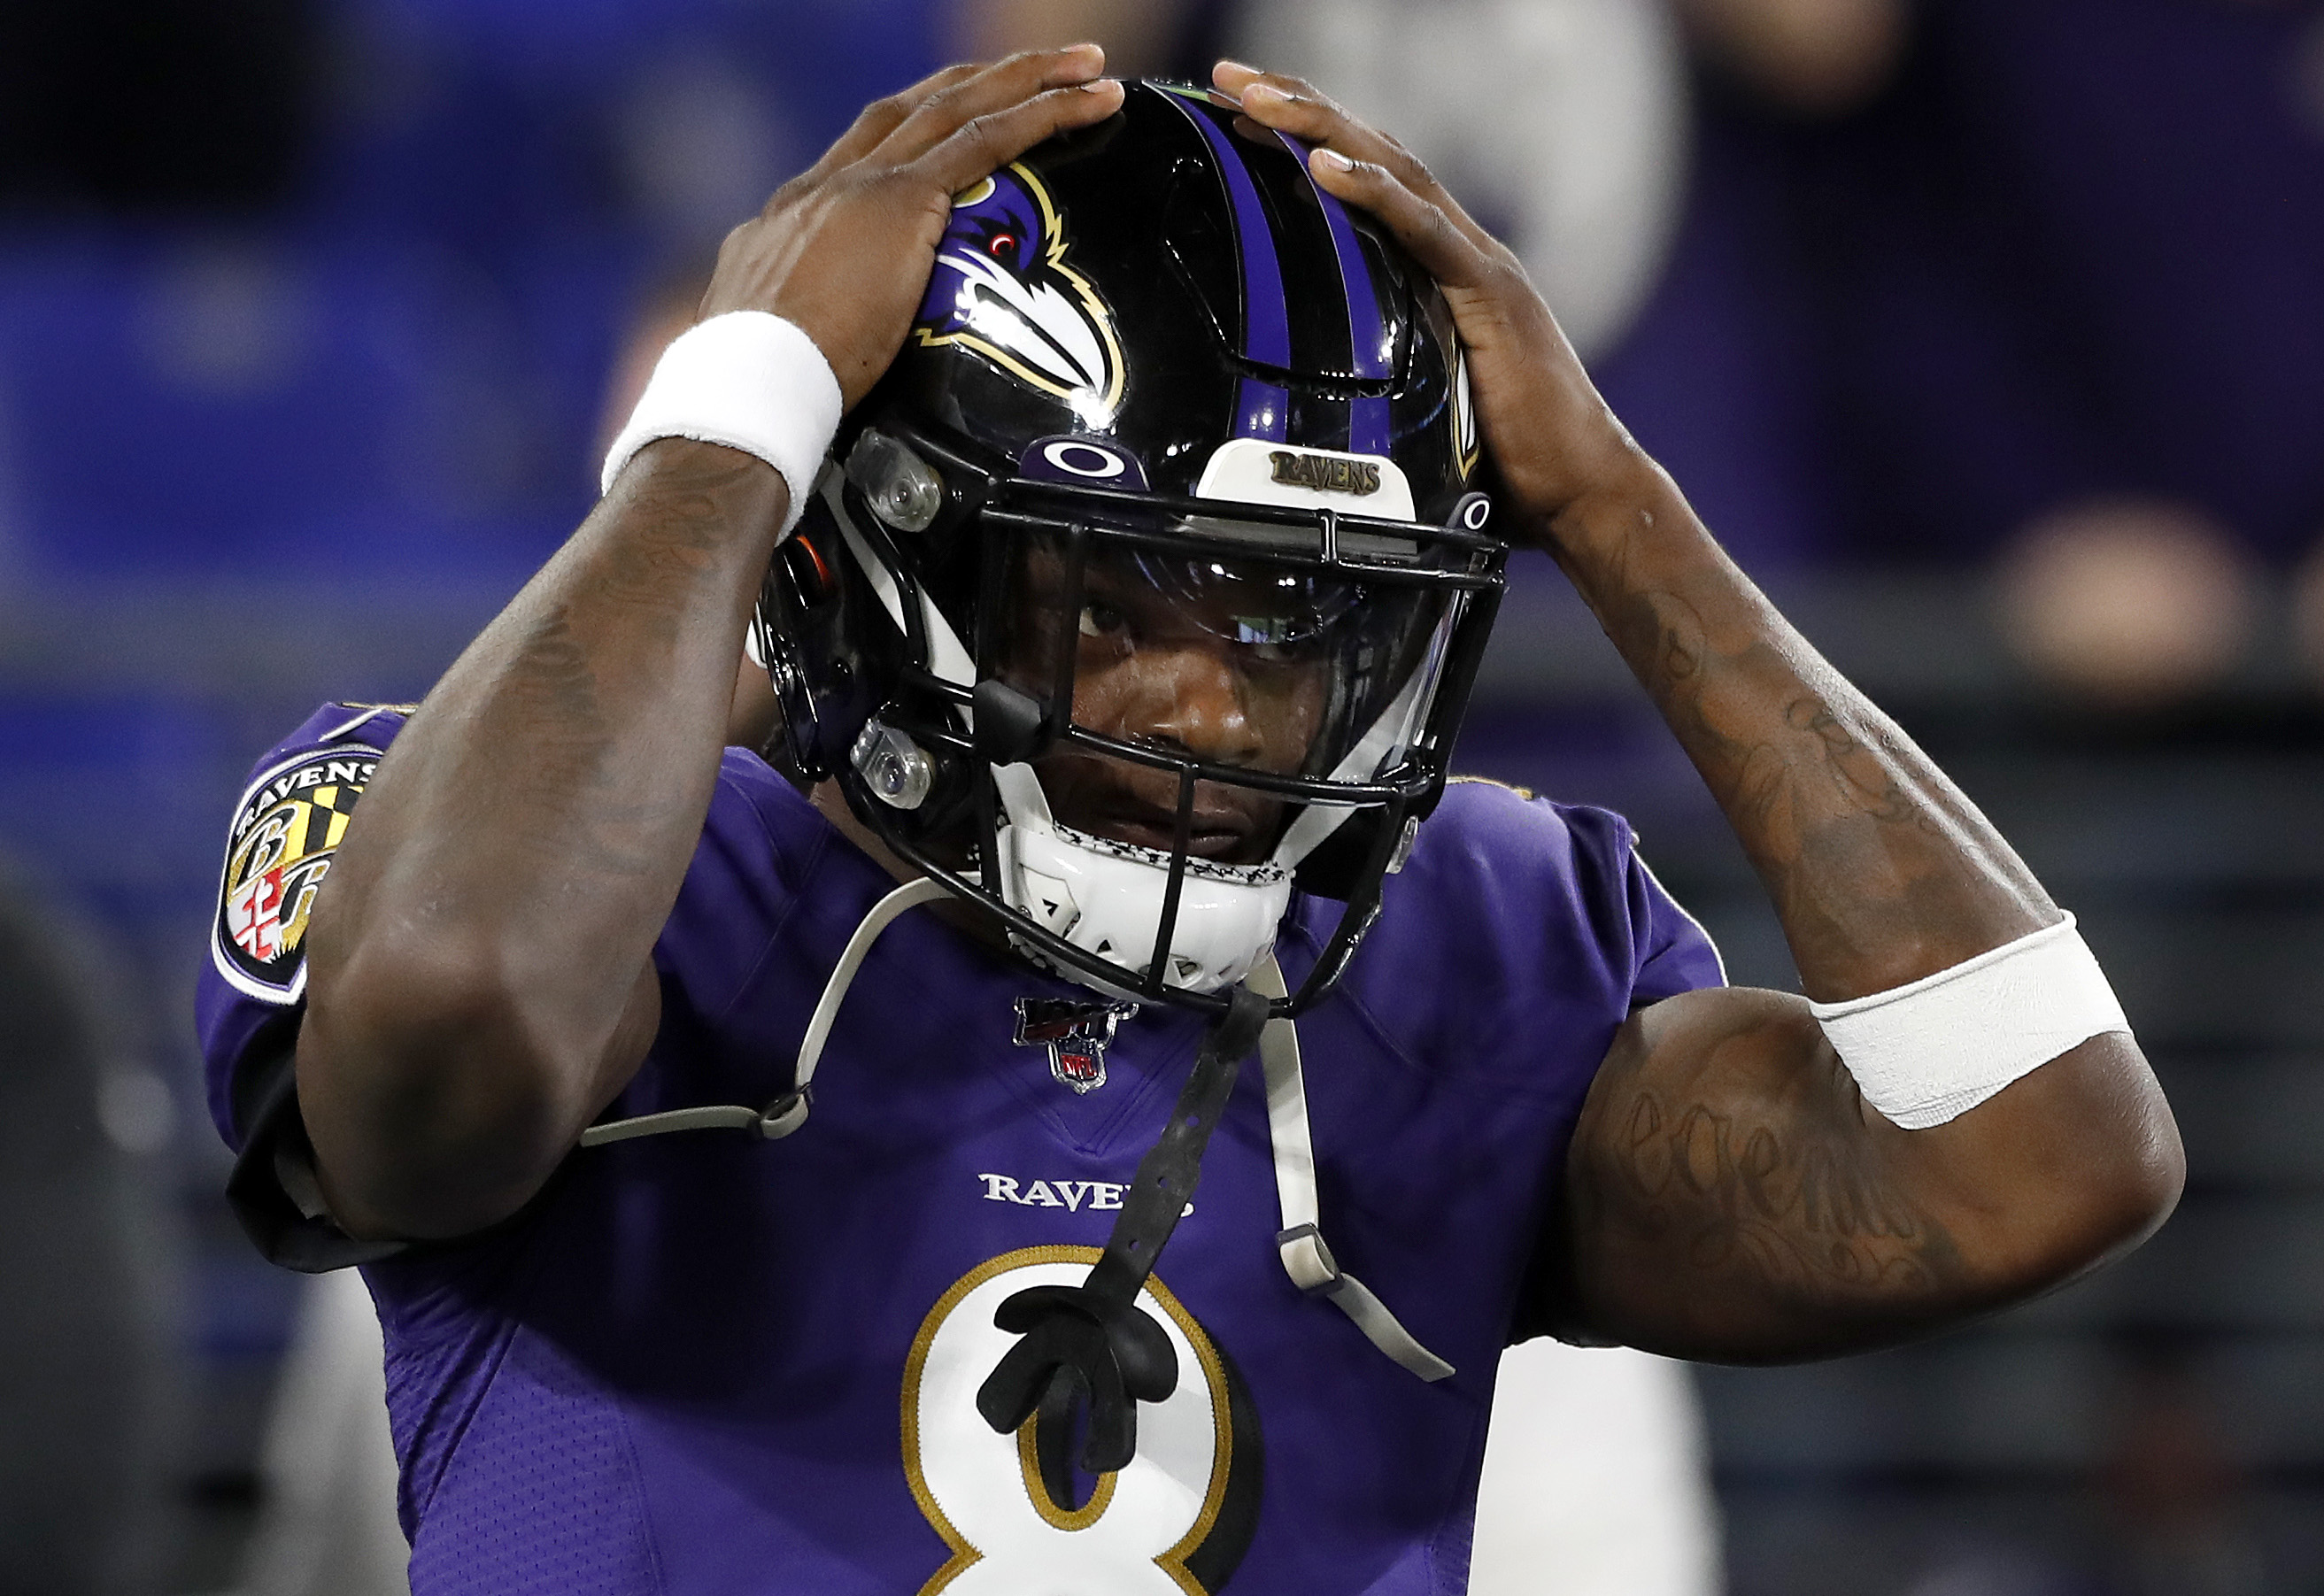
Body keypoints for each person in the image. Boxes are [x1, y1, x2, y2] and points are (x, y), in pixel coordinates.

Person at [196, 48, 2182, 1593]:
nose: (1217, 699)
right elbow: (448, 1026)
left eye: (1295, 614)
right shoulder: (533, 869)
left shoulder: (1471, 928)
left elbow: (2032, 1160)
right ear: (882, 549)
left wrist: (1615, 508)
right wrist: (737, 420)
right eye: (1118, 603)